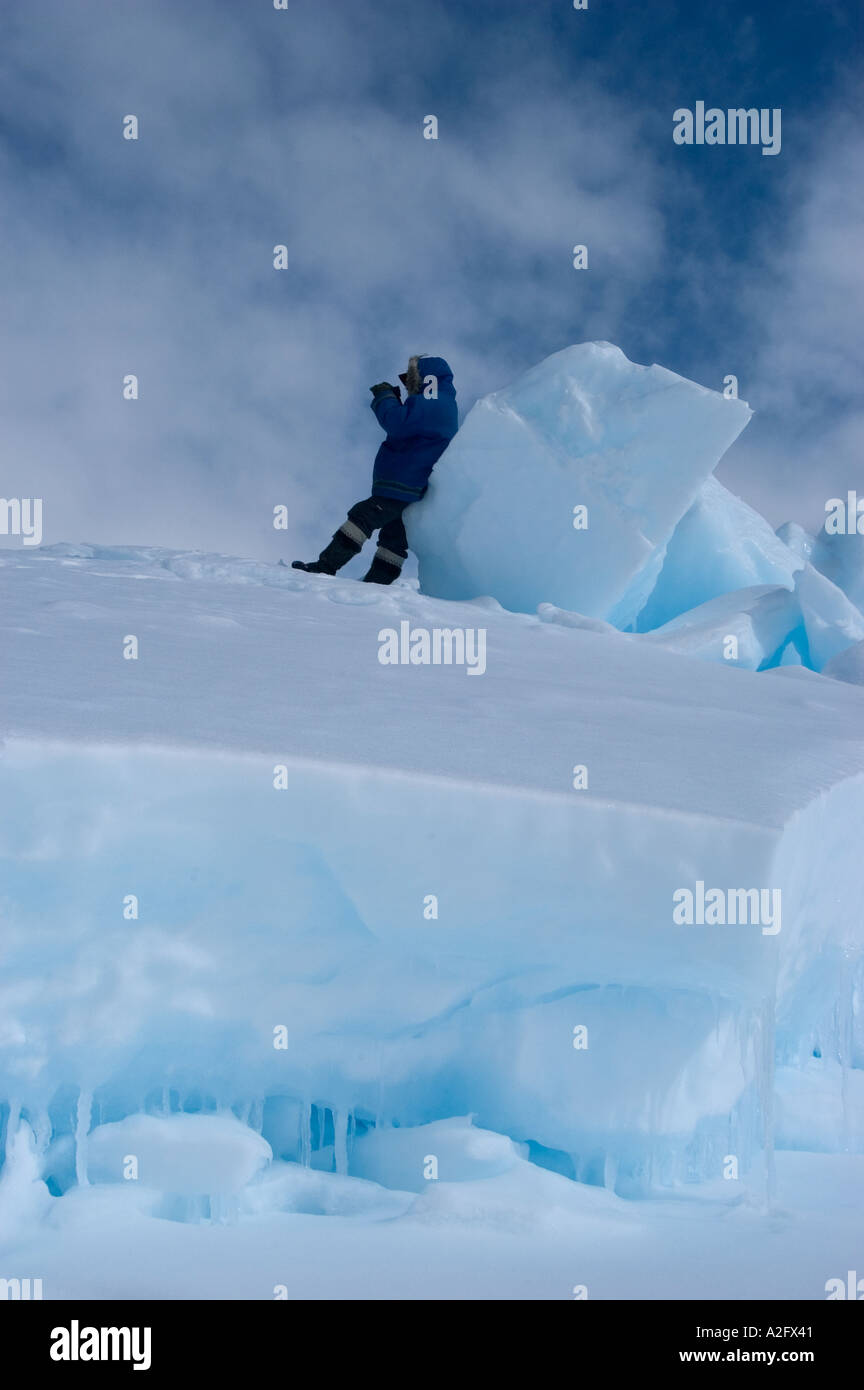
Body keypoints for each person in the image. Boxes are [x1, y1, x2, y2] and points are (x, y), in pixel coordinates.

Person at [292, 354, 458, 584]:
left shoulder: (433, 399)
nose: (410, 383)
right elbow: (413, 427)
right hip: (413, 486)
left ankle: (325, 567)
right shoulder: (439, 402)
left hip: (403, 484)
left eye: (412, 377)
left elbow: (396, 422)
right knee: (394, 539)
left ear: (427, 377)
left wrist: (385, 396)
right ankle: (376, 587)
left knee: (364, 517)